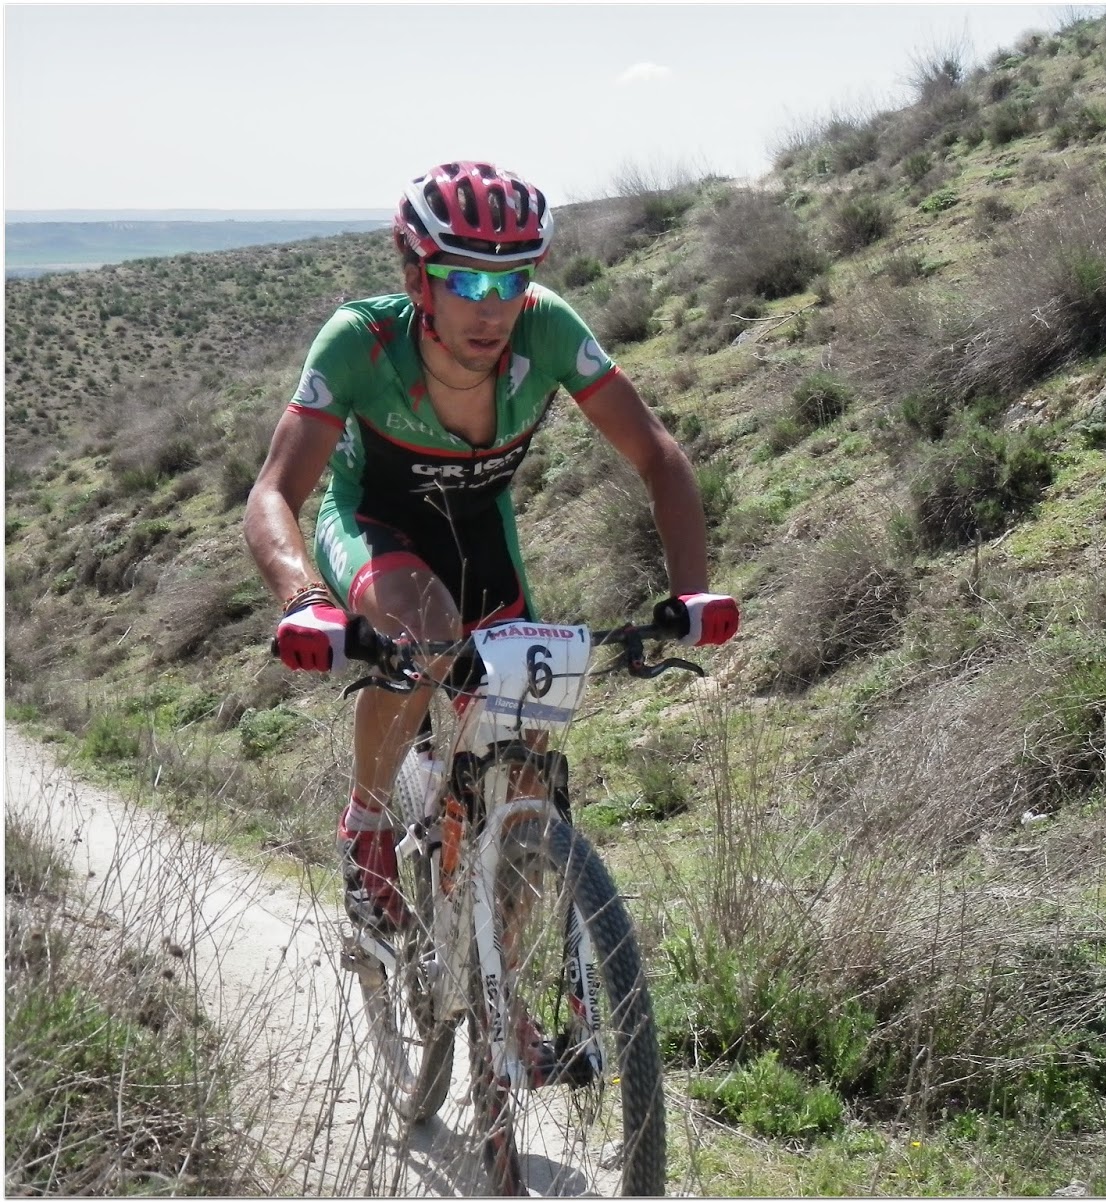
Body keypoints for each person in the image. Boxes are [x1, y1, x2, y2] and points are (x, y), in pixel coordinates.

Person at [244, 160, 738, 932]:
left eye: (514, 281)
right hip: (374, 522)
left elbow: (658, 456)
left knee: (528, 770)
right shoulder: (360, 343)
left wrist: (693, 589)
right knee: (428, 630)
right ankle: (368, 825)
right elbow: (274, 493)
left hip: (479, 530)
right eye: (469, 283)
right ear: (417, 278)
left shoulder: (547, 328)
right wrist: (305, 604)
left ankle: (506, 1021)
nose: (496, 307)